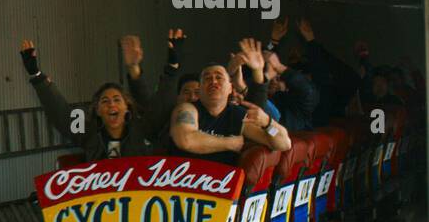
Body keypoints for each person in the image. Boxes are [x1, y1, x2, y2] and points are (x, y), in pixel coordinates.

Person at [19, 39, 155, 159]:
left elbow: (150, 108)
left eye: (117, 100)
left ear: (127, 108)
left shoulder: (140, 130)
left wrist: (134, 68)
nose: (111, 104)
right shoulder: (89, 134)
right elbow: (61, 114)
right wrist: (35, 74)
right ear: (98, 111)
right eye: (105, 101)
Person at [169, 63, 291, 167]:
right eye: (207, 78)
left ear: (230, 88)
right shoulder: (187, 109)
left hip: (221, 185)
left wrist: (267, 123)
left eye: (219, 77)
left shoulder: (238, 115)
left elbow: (284, 143)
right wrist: (230, 143)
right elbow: (186, 140)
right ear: (199, 89)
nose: (213, 81)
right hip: (181, 182)